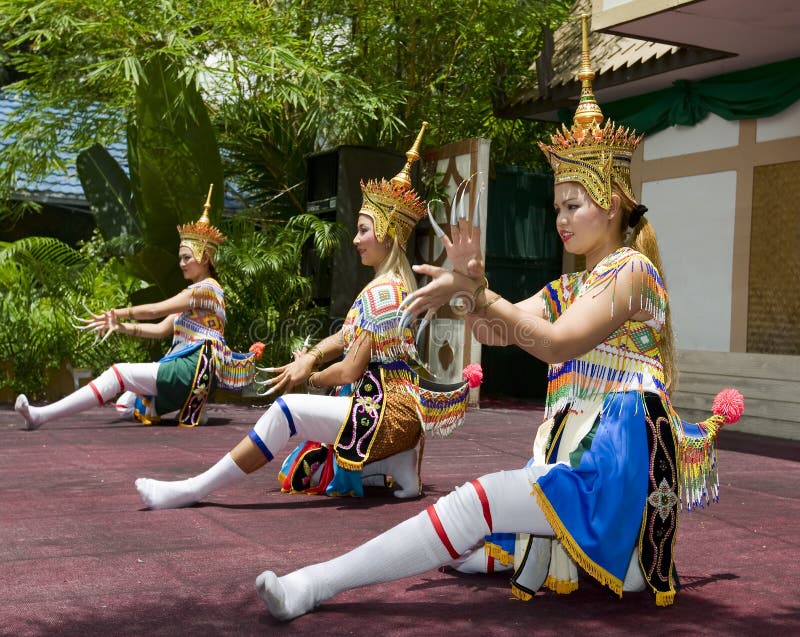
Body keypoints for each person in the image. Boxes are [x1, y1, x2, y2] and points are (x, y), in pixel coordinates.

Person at [252, 18, 743, 620]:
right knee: (465, 540)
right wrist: (468, 293)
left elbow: (557, 343)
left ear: (611, 201)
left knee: (471, 505)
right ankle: (487, 551)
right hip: (580, 454)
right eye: (556, 206)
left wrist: (480, 297)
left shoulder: (632, 273)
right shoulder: (573, 282)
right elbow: (498, 332)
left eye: (573, 204)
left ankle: (313, 584)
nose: (561, 218)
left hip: (615, 460)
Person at [134, 122, 476, 510]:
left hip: (384, 410)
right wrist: (313, 355)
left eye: (363, 230)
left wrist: (309, 377)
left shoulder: (381, 292)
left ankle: (193, 489)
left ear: (387, 233)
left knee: (287, 410)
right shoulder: (395, 287)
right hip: (395, 408)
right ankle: (398, 462)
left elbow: (349, 371)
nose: (355, 239)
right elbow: (350, 338)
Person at [14, 185, 259, 430]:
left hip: (191, 368)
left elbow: (155, 310)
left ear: (204, 259)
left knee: (118, 374)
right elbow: (160, 328)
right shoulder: (195, 298)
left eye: (187, 258)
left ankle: (41, 416)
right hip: (189, 370)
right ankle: (182, 409)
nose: (181, 263)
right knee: (125, 403)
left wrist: (119, 312)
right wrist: (120, 326)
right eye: (180, 257)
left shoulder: (206, 290)